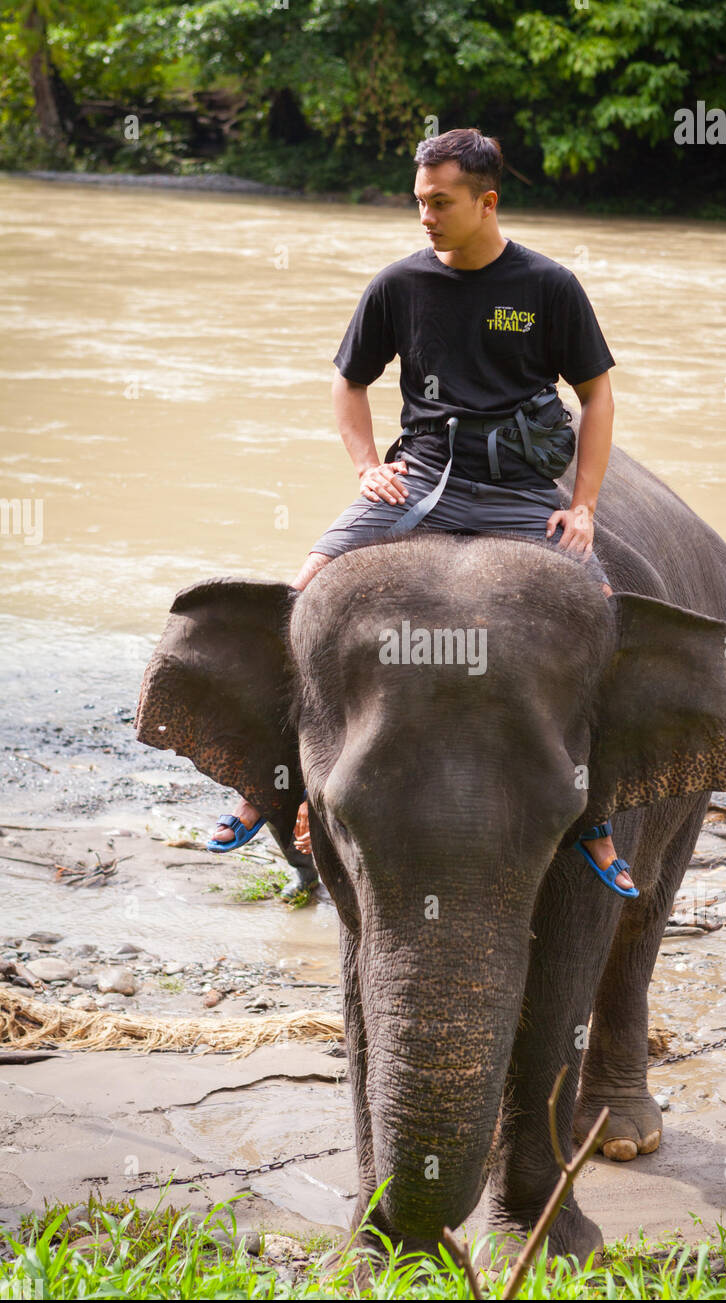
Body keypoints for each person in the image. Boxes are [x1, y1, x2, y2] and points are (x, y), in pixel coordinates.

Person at [208, 127, 637, 897]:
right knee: (301, 591)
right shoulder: (398, 285)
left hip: (520, 491)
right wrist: (368, 467)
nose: (426, 216)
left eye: (441, 202)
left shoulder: (547, 286)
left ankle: (593, 810)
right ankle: (268, 778)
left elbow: (597, 392)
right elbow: (348, 381)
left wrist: (585, 506)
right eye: (419, 203)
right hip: (423, 478)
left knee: (603, 614)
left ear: (487, 201)